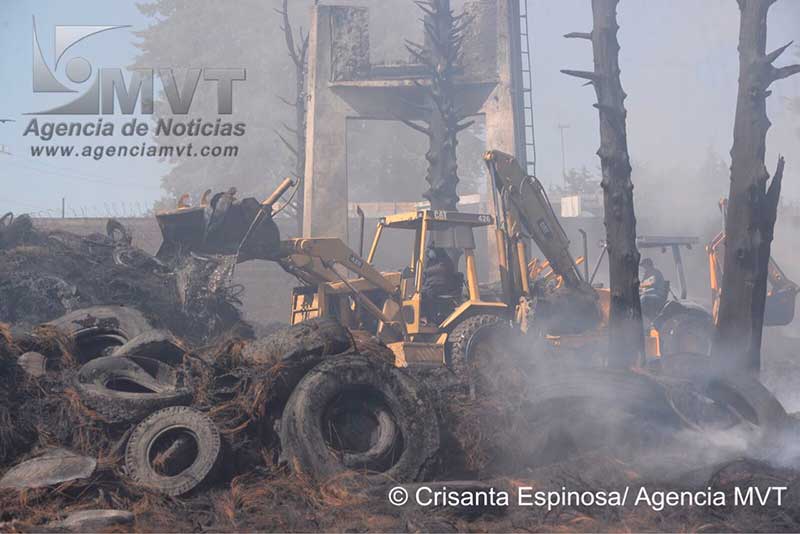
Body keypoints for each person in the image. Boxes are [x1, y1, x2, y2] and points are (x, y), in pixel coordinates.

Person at [421, 245, 463, 323]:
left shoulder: (445, 261)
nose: (429, 252)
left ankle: (431, 319)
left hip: (443, 287)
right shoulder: (431, 262)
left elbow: (439, 271)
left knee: (426, 294)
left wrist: (425, 271)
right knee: (420, 293)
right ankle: (426, 317)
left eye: (431, 250)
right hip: (432, 285)